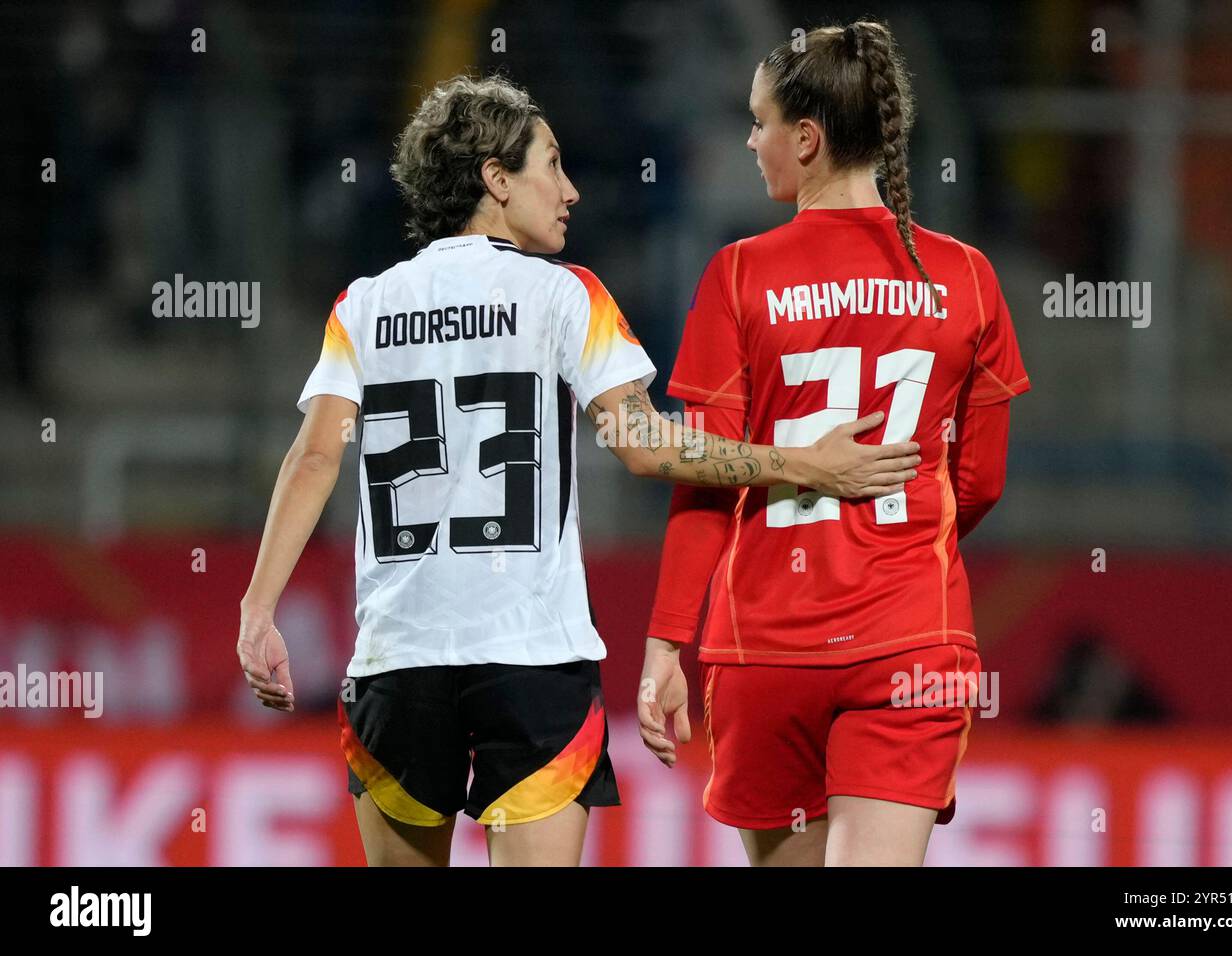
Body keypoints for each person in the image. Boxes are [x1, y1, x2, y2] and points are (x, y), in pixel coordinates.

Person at [235, 74, 922, 867]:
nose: (570, 192)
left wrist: (258, 608)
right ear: (496, 179)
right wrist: (803, 462)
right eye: (550, 166)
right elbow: (644, 444)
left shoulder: (362, 305)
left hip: (398, 659)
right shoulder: (566, 295)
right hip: (531, 659)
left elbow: (317, 453)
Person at [638, 20, 1031, 866]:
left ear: (807, 139)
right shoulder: (966, 276)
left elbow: (703, 473)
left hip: (764, 649)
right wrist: (897, 536)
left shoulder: (738, 273)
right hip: (909, 640)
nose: (750, 140)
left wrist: (666, 641)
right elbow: (982, 479)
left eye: (760, 121)